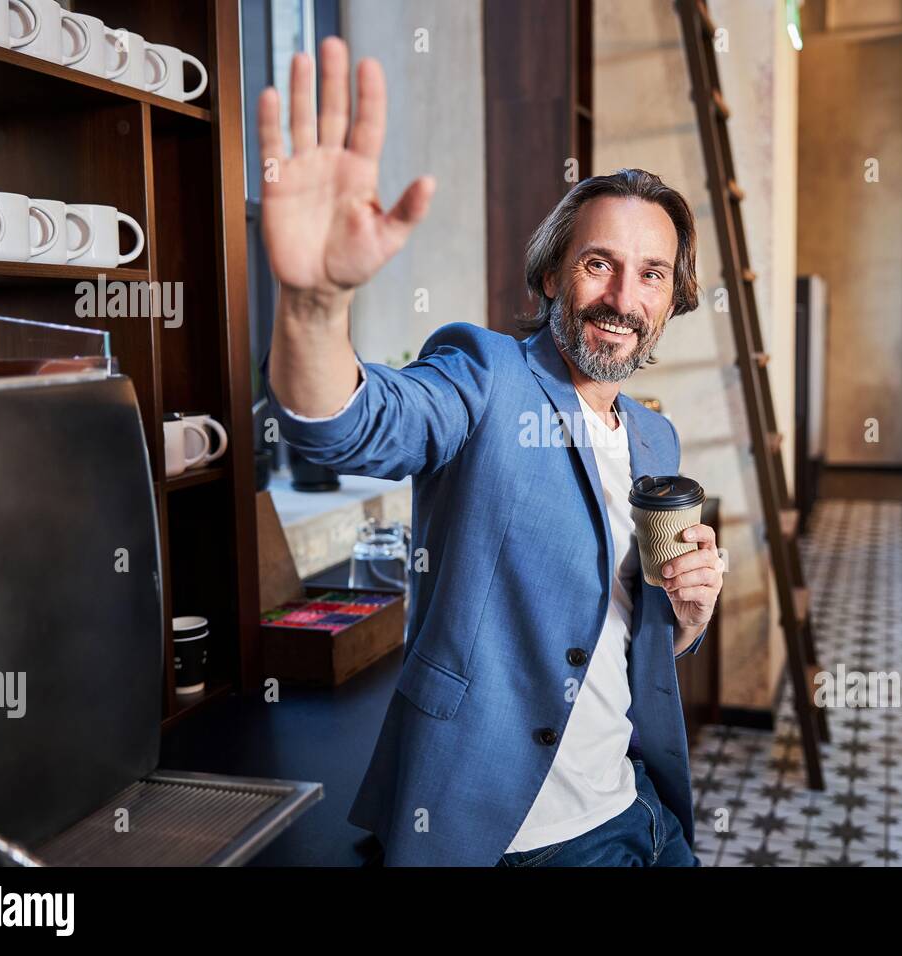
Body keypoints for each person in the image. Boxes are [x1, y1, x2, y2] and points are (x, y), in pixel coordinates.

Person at [258, 38, 724, 867]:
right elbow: (350, 424)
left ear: (672, 297)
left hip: (638, 806)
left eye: (652, 274)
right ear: (551, 275)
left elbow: (628, 631)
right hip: (510, 831)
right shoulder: (485, 375)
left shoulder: (656, 437)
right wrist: (314, 303)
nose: (624, 298)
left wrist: (686, 620)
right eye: (599, 264)